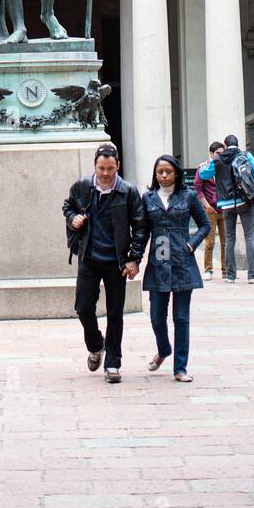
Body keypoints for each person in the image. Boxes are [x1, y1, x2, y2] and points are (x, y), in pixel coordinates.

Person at [63, 142, 147, 384]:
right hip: (89, 257)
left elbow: (140, 226)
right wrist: (73, 219)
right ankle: (96, 344)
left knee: (115, 313)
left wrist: (134, 258)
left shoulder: (128, 191)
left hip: (117, 261)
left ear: (118, 166)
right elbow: (68, 206)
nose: (106, 173)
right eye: (101, 168)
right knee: (83, 307)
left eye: (110, 168)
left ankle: (113, 363)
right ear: (95, 167)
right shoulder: (81, 187)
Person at [142, 155, 210, 382]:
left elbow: (205, 225)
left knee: (181, 318)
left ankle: (180, 367)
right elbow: (142, 232)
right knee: (156, 317)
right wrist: (133, 258)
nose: (163, 176)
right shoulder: (148, 198)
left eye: (168, 172)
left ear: (176, 173)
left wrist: (191, 244)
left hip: (182, 260)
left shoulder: (188, 196)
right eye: (160, 172)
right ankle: (164, 349)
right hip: (158, 260)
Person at [197, 134, 254, 283]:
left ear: (226, 146)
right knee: (249, 237)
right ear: (237, 144)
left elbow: (204, 174)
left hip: (226, 204)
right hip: (245, 201)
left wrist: (206, 164)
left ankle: (230, 276)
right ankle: (252, 276)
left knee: (229, 238)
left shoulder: (218, 159)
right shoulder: (245, 155)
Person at [194, 140, 226, 280]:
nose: (220, 156)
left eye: (222, 153)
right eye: (218, 153)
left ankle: (226, 269)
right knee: (210, 241)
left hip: (225, 208)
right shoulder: (204, 168)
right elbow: (198, 188)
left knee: (226, 241)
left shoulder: (225, 166)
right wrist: (206, 205)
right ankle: (208, 269)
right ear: (212, 153)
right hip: (210, 208)